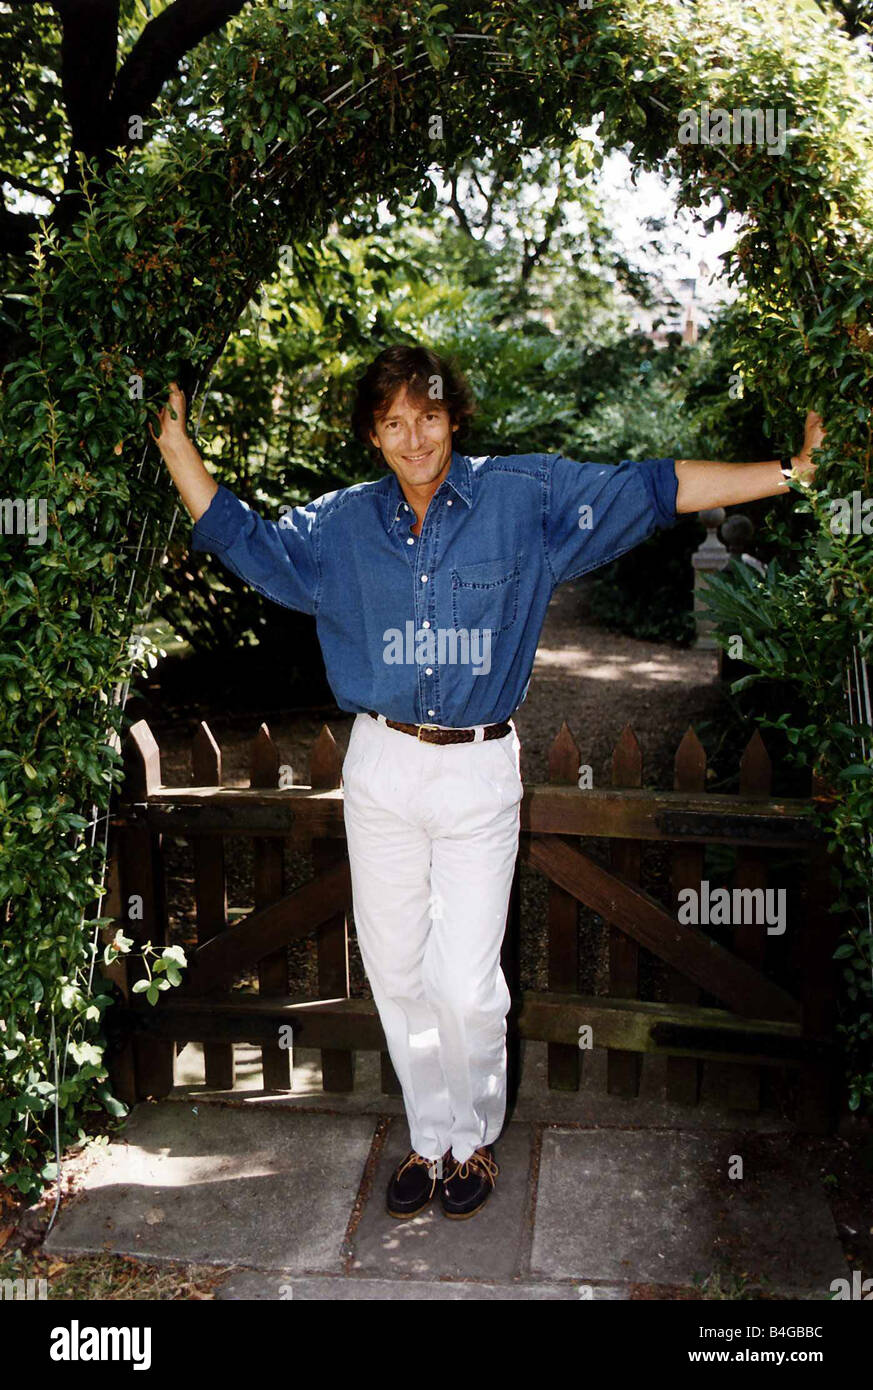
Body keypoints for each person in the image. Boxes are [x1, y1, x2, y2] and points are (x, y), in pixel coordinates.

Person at [152, 344, 824, 1222]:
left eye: (426, 416)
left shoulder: (525, 499)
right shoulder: (341, 526)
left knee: (467, 983)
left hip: (477, 765)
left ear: (453, 415)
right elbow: (248, 541)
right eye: (391, 422)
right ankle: (428, 1139)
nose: (413, 437)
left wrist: (793, 472)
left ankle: (473, 1138)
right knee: (394, 970)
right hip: (382, 762)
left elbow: (652, 487)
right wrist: (176, 452)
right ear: (371, 434)